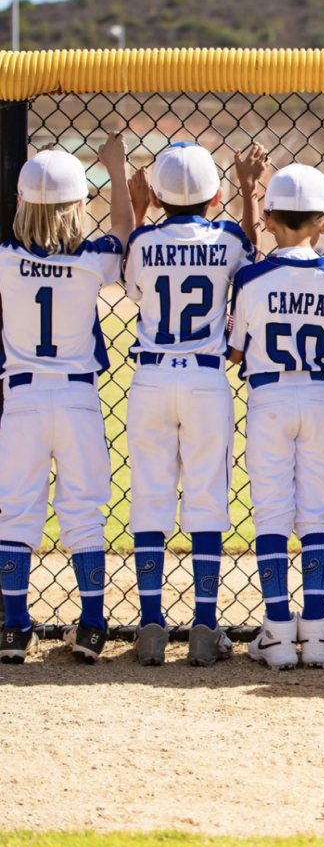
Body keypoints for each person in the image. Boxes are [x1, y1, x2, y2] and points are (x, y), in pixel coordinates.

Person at [124, 141, 265, 666]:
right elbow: (249, 258)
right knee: (206, 497)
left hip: (152, 378)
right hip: (206, 379)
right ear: (216, 196)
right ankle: (205, 625)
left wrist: (140, 212)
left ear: (158, 198)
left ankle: (151, 623)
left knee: (150, 496)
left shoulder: (143, 239)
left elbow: (135, 280)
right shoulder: (228, 236)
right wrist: (249, 192)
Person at [0, 135, 131, 664]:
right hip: (77, 398)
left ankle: (13, 628)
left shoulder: (6, 258)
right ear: (80, 206)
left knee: (16, 514)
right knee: (83, 513)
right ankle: (93, 626)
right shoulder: (92, 259)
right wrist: (117, 172)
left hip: (23, 401)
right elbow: (122, 229)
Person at [228, 164, 324, 671]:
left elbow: (236, 351)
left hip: (268, 398)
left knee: (272, 513)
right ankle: (319, 631)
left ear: (267, 217)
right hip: (320, 396)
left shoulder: (252, 277)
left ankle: (278, 632)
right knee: (317, 515)